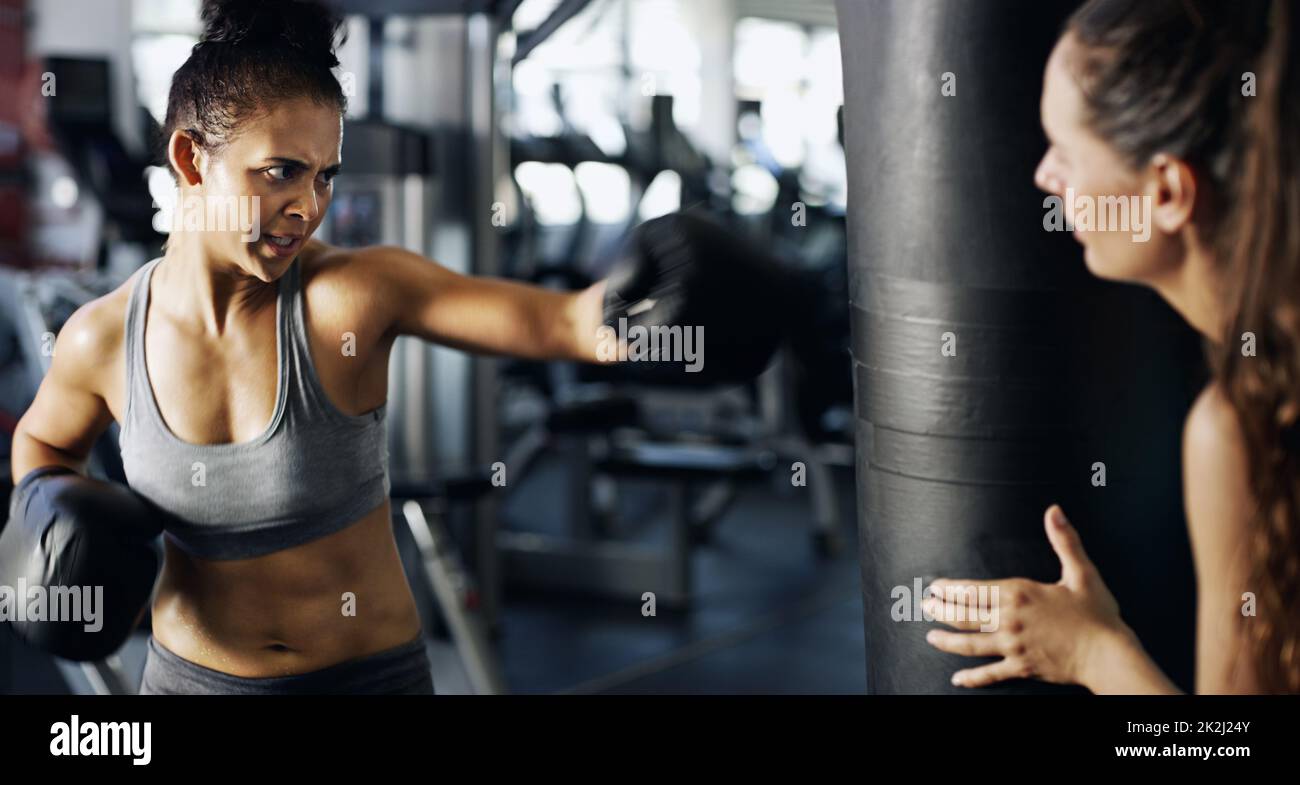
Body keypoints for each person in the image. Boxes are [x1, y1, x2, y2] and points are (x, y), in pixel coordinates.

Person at [1, 0, 788, 694]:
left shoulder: (353, 294)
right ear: (187, 159)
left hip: (367, 680)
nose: (307, 207)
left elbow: (561, 324)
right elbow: (42, 436)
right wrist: (47, 502)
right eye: (280, 173)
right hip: (190, 685)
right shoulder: (102, 338)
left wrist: (635, 308)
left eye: (325, 177)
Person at [923, 0, 1299, 693]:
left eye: (1065, 151)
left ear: (1165, 191)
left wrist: (1093, 653)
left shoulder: (1239, 429)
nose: (1043, 176)